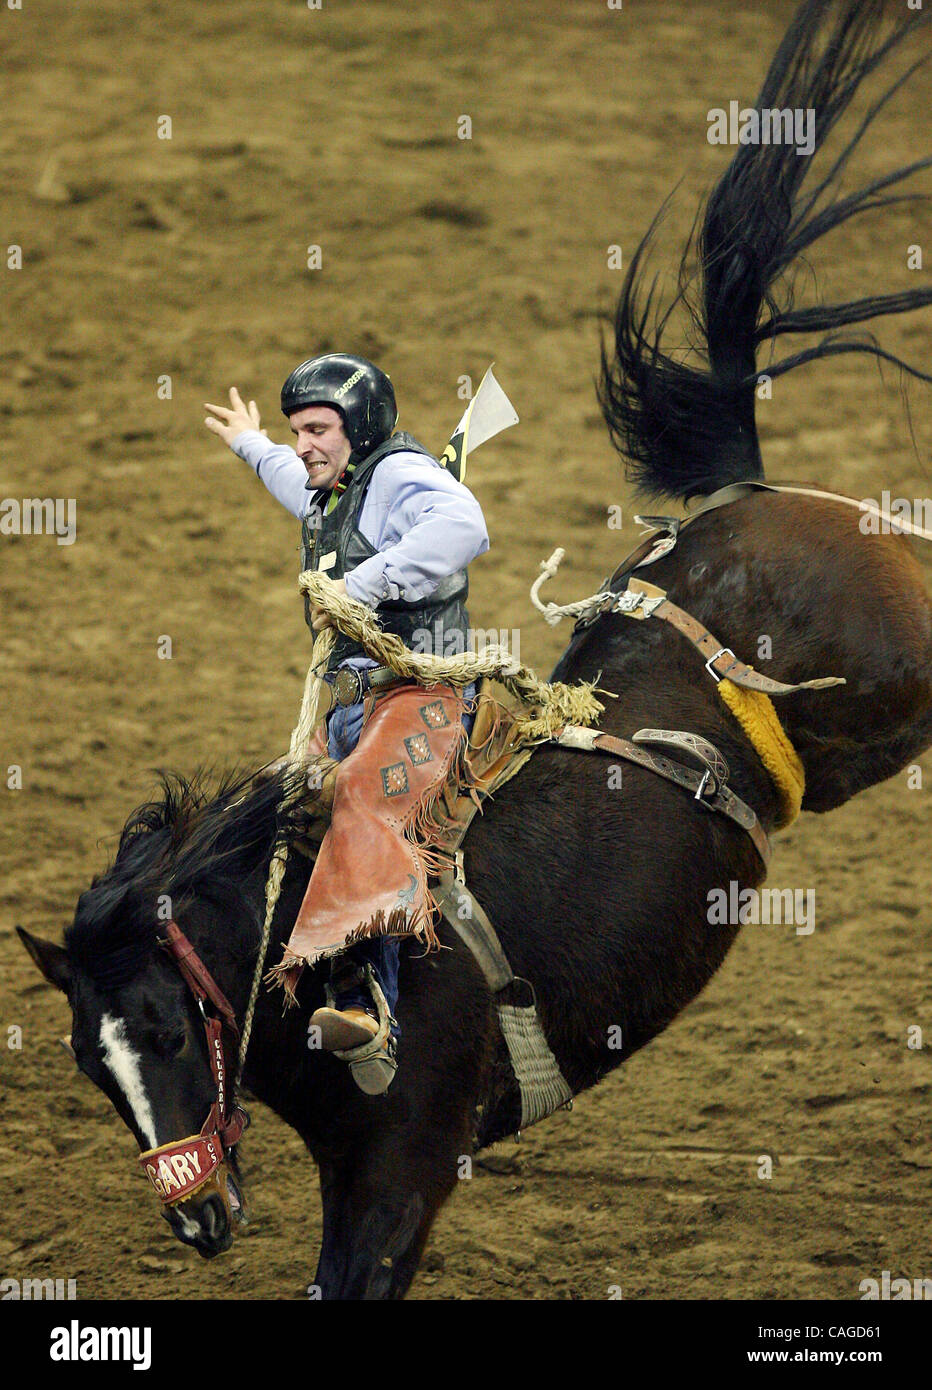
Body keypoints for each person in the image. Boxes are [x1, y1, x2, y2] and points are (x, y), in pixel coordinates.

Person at [205, 354, 489, 1092]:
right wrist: (250, 443)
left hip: (422, 695)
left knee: (360, 795)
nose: (304, 445)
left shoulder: (396, 475)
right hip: (354, 704)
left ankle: (366, 1009)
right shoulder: (329, 485)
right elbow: (288, 479)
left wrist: (357, 586)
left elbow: (462, 523)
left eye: (318, 429)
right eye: (297, 431)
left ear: (358, 429)